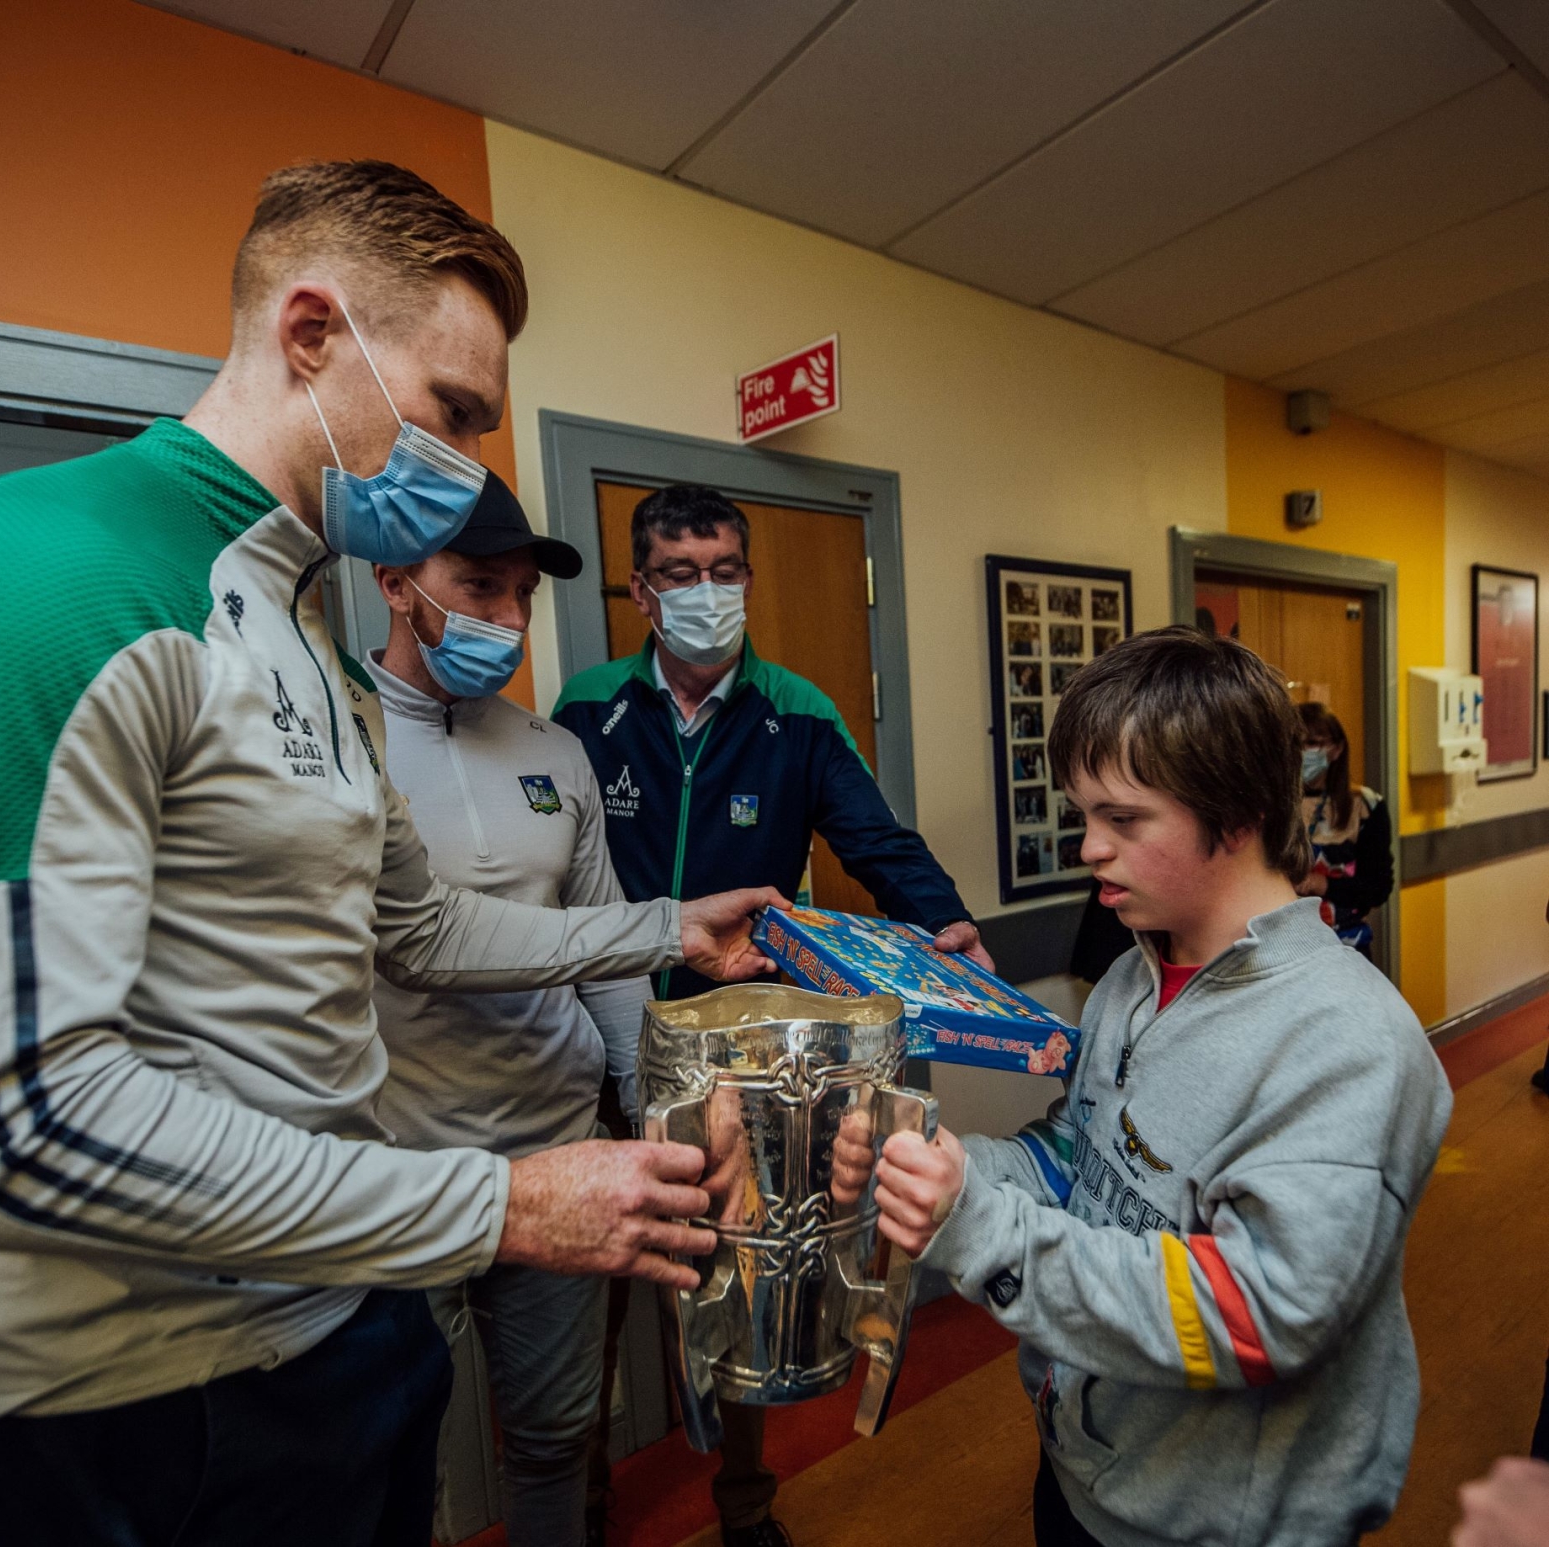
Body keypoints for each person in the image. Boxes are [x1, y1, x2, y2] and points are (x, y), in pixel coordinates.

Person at [0, 160, 786, 1547]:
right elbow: (1, 1125)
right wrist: (498, 1201)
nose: (466, 463)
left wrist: (665, 926)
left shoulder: (296, 631)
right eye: (453, 410)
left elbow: (421, 927)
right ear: (313, 332)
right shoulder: (36, 573)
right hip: (158, 1388)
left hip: (340, 1317)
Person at [871, 626, 1452, 1547]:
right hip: (1089, 1472)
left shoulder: (1349, 1042)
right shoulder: (1130, 980)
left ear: (1237, 814)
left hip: (1218, 1523)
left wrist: (985, 1230)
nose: (1090, 847)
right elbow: (1080, 1153)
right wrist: (952, 1171)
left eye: (1124, 819)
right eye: (1083, 815)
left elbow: (1262, 1312)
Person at [551, 483, 985, 1547]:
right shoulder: (590, 708)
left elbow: (875, 838)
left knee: (739, 1284)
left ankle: (745, 1506)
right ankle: (581, 1506)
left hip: (736, 1062)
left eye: (724, 570)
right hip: (603, 1040)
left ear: (747, 576)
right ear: (642, 590)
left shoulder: (796, 712)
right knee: (595, 1296)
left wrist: (948, 921)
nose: (706, 591)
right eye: (681, 573)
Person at [363, 472, 647, 1547]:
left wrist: (647, 1111)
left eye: (523, 593)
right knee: (398, 1455)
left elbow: (606, 949)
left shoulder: (554, 751)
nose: (511, 619)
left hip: (557, 1147)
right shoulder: (337, 745)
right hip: (399, 1169)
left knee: (555, 1437)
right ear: (396, 582)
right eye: (480, 587)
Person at [1297, 701, 1394, 958]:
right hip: (1287, 947)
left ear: (1337, 748)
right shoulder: (1270, 806)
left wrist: (1323, 884)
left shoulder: (1365, 806)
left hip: (1346, 947)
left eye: (1313, 743)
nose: (1303, 752)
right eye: (1296, 742)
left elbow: (1378, 887)